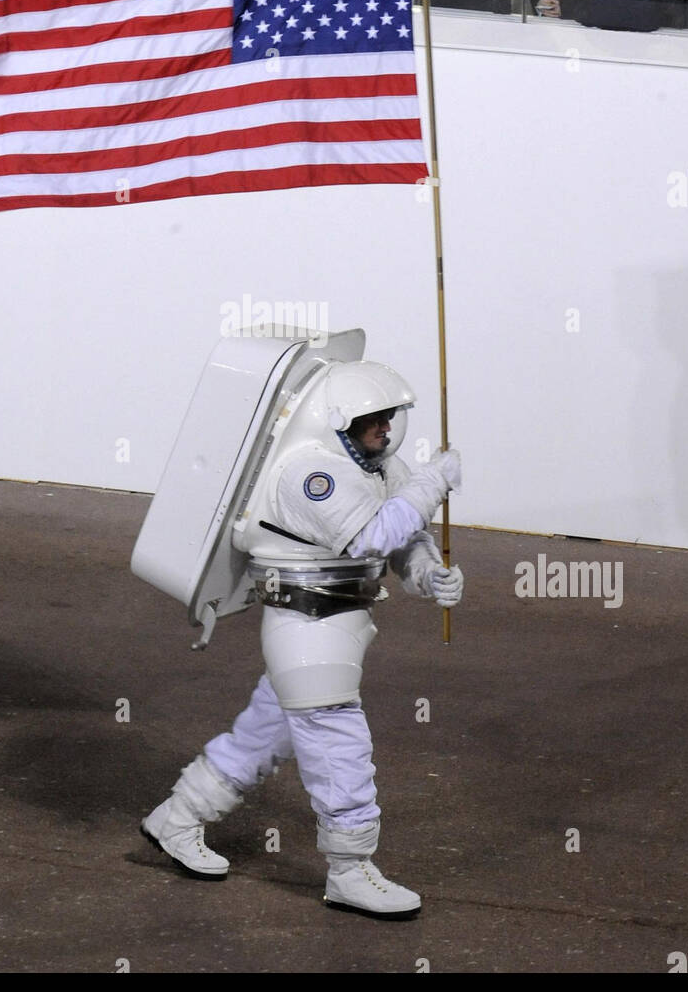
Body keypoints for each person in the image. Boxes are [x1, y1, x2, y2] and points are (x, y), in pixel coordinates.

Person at [141, 358, 464, 918]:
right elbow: (371, 536)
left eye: (389, 420)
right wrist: (433, 481)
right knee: (339, 747)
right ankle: (350, 869)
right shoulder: (308, 475)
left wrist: (427, 574)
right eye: (374, 423)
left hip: (343, 625)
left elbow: (404, 538)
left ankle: (177, 818)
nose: (385, 431)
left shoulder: (379, 467)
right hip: (306, 627)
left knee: (262, 739)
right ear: (339, 424)